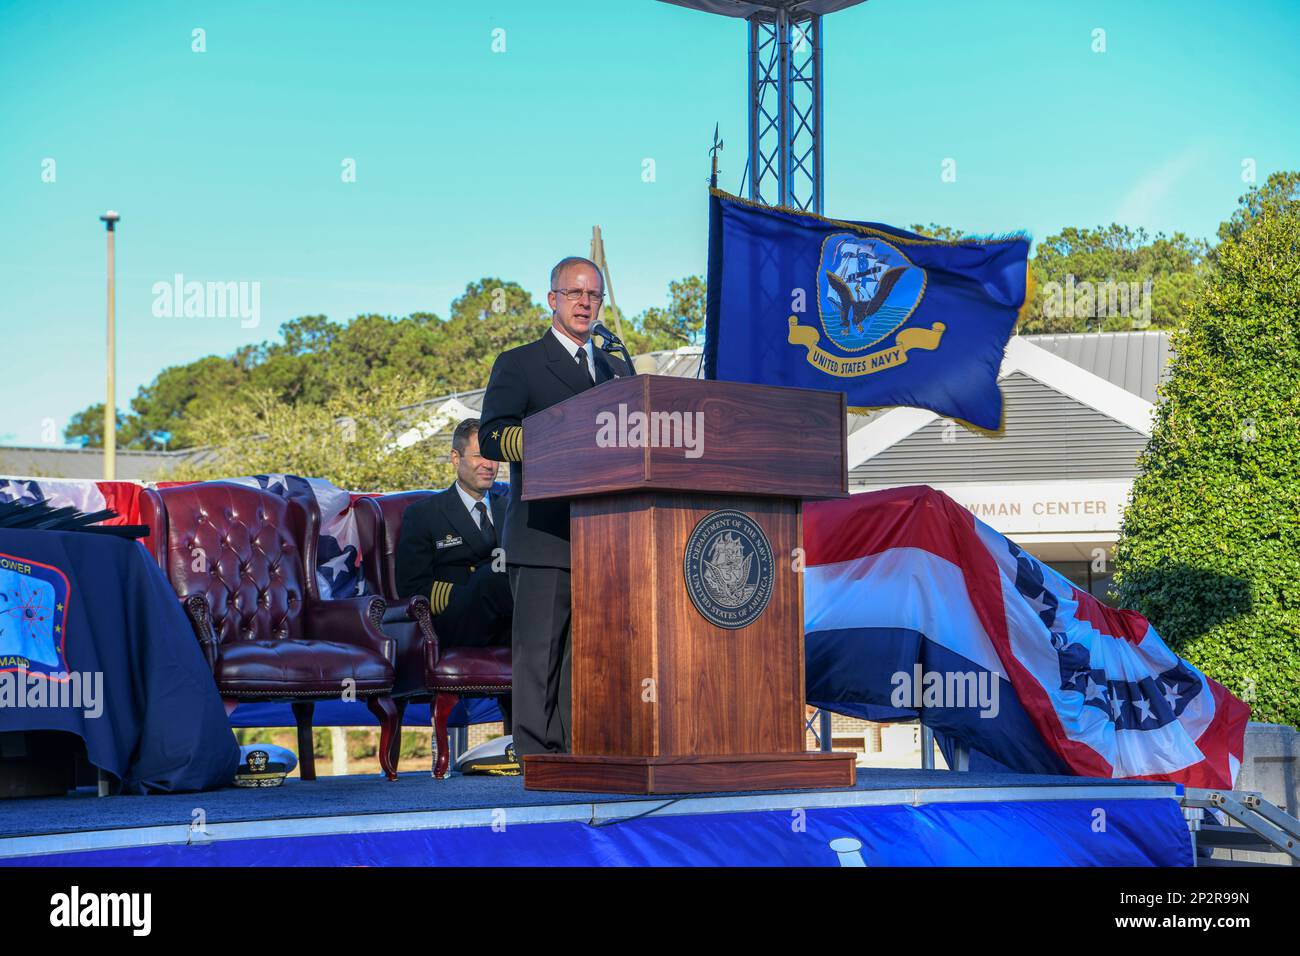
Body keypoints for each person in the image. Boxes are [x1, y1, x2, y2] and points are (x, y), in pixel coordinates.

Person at [478, 256, 629, 757]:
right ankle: (537, 757)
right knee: (539, 653)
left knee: (583, 656)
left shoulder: (612, 369)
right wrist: (553, 439)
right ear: (553, 300)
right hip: (543, 532)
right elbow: (494, 434)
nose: (585, 303)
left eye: (594, 296)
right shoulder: (519, 362)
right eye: (575, 294)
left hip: (602, 536)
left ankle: (575, 755)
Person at [394, 418, 512, 650]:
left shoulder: (510, 509)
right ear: (456, 459)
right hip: (456, 622)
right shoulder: (424, 514)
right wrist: (469, 593)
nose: (489, 465)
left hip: (509, 620)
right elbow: (411, 588)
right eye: (479, 455)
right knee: (492, 577)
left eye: (494, 457)